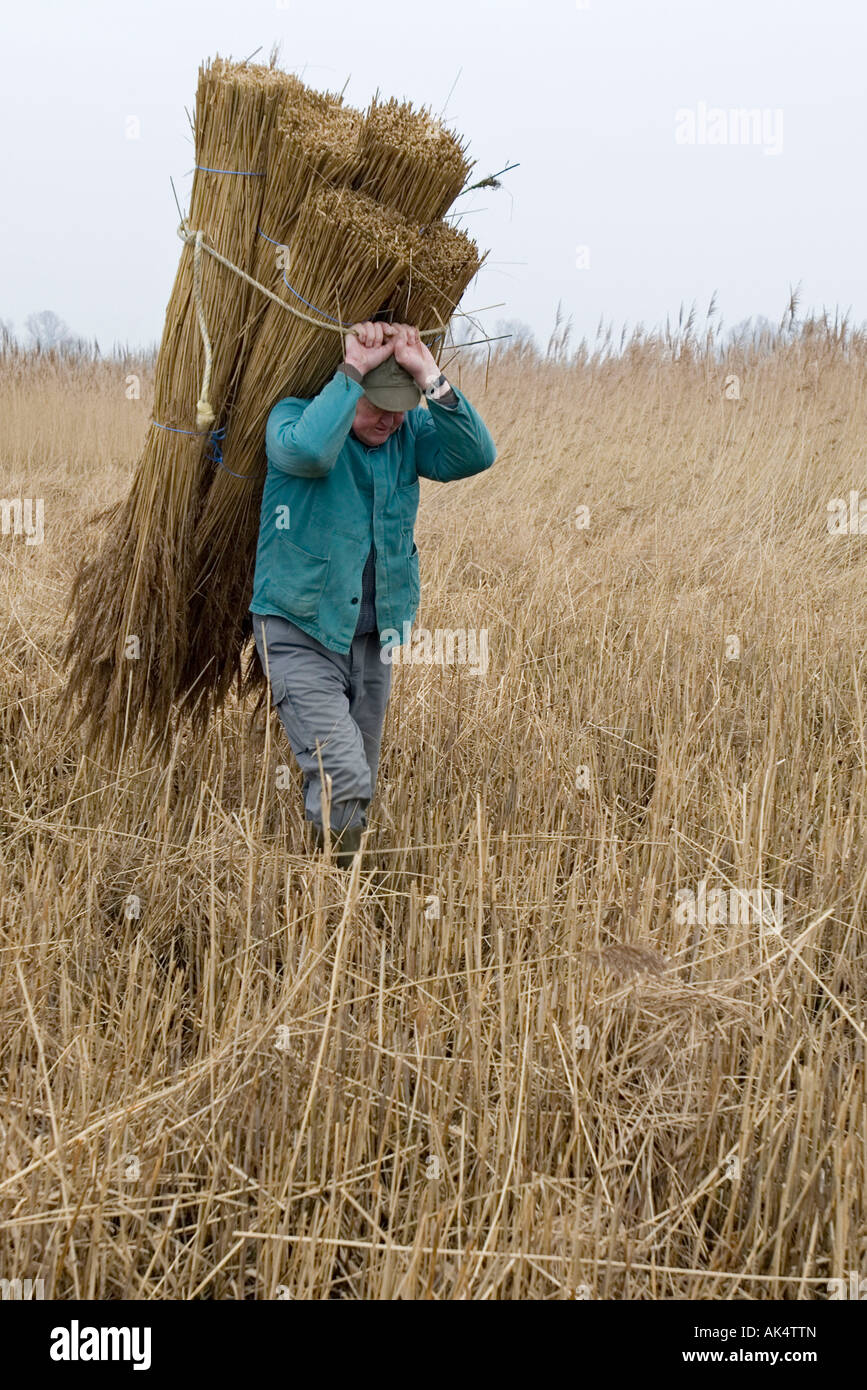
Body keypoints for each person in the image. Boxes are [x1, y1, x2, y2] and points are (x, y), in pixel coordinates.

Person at [250, 321, 496, 868]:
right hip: (299, 631)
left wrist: (428, 375)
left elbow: (476, 455)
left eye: (400, 404)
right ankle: (332, 897)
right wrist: (354, 369)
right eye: (377, 404)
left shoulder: (405, 436)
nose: (389, 418)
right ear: (347, 387)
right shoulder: (292, 419)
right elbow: (311, 455)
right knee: (343, 773)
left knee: (359, 776)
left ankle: (333, 887)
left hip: (371, 638)